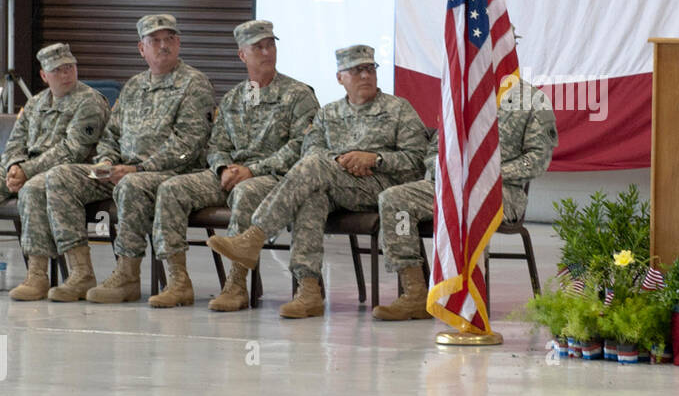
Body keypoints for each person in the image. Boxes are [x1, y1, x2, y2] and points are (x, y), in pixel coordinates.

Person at [208, 44, 428, 318]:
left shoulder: (397, 109)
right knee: (311, 198)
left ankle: (255, 236)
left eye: (370, 68)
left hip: (382, 185)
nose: (365, 75)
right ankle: (308, 289)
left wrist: (375, 159)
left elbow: (418, 160)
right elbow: (310, 151)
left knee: (313, 169)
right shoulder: (328, 114)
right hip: (338, 185)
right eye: (357, 70)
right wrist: (341, 161)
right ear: (340, 78)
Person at [39, 14, 215, 303]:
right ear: (141, 49)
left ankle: (127, 275)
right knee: (59, 177)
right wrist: (106, 162)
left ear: (179, 43)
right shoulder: (133, 86)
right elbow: (111, 133)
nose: (163, 46)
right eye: (155, 40)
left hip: (175, 173)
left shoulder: (194, 84)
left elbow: (188, 143)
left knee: (131, 184)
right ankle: (80, 273)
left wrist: (138, 168)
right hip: (123, 171)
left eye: (169, 39)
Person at [148, 20, 318, 310]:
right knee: (172, 188)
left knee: (245, 191)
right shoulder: (233, 98)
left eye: (270, 45)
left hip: (274, 178)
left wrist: (254, 169)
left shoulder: (298, 95)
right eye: (258, 47)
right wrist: (223, 168)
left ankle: (236, 285)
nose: (266, 52)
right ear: (242, 55)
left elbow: (301, 148)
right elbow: (216, 145)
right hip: (229, 175)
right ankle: (178, 282)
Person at [372, 77, 559, 321]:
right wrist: (450, 173)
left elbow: (537, 160)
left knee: (472, 201)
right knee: (395, 201)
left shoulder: (532, 99)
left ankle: (470, 294)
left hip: (502, 190)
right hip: (450, 186)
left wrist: (488, 175)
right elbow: (433, 152)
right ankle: (414, 291)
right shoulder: (459, 97)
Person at [0, 43, 110, 298]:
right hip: (27, 169)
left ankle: (37, 276)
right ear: (44, 75)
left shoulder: (90, 101)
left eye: (70, 67)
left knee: (32, 189)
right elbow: (14, 142)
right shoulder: (36, 103)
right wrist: (14, 166)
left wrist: (27, 171)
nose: (66, 74)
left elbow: (74, 150)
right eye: (58, 70)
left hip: (67, 173)